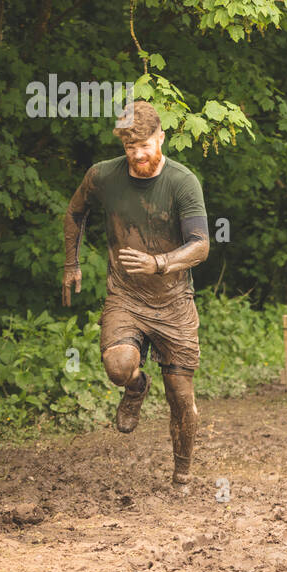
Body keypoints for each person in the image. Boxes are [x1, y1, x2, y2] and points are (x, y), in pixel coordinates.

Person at [61, 101, 210, 492]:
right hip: (125, 296)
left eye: (145, 145)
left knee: (180, 395)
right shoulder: (103, 176)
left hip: (174, 301)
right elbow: (75, 212)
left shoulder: (182, 182)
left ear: (161, 137)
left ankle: (182, 474)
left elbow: (200, 246)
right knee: (118, 365)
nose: (138, 155)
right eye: (130, 147)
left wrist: (159, 262)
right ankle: (135, 385)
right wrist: (70, 265)